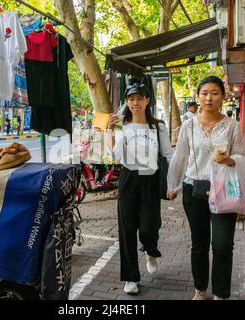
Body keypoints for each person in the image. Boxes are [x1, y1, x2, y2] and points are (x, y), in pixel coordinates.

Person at [167, 76, 245, 300]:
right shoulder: (189, 125)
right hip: (194, 189)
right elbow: (181, 155)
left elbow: (242, 155)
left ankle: (221, 293)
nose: (209, 97)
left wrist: (230, 160)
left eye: (214, 93)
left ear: (222, 96)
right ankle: (200, 290)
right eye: (204, 93)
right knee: (199, 244)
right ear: (198, 96)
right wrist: (173, 184)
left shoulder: (231, 125)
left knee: (222, 245)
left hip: (224, 189)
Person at [107, 83, 173, 295]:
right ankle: (131, 278)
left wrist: (172, 182)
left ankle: (151, 250)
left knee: (148, 226)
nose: (135, 103)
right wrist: (110, 130)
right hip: (129, 178)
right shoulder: (122, 125)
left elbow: (168, 155)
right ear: (126, 102)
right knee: (127, 229)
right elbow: (115, 157)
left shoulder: (158, 126)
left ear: (147, 101)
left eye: (139, 98)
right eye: (131, 99)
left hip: (150, 178)